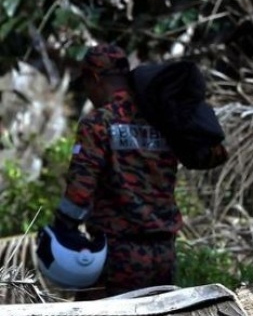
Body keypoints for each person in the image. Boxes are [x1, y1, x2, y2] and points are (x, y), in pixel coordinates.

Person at [53, 44, 222, 298]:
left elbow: (80, 189)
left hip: (118, 254)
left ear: (95, 78)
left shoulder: (99, 123)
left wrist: (61, 229)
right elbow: (212, 154)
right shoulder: (161, 117)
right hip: (163, 252)